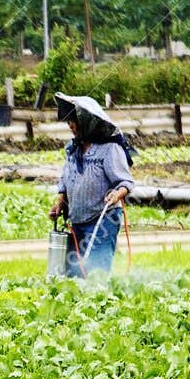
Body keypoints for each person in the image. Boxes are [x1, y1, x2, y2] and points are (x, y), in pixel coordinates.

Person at [50, 93, 135, 276]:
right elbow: (65, 180)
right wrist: (60, 202)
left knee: (96, 273)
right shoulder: (73, 150)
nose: (71, 125)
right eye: (69, 122)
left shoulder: (109, 149)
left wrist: (116, 194)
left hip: (102, 221)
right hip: (77, 221)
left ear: (87, 122)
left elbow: (125, 182)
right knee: (74, 275)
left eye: (75, 121)